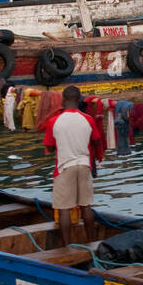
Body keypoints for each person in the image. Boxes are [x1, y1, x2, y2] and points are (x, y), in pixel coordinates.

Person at [43, 85, 103, 248]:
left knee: (64, 209)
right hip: (84, 165)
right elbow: (96, 141)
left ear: (63, 100)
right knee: (86, 206)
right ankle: (91, 242)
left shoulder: (54, 121)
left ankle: (67, 246)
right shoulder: (87, 119)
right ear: (79, 100)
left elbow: (49, 147)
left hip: (64, 167)